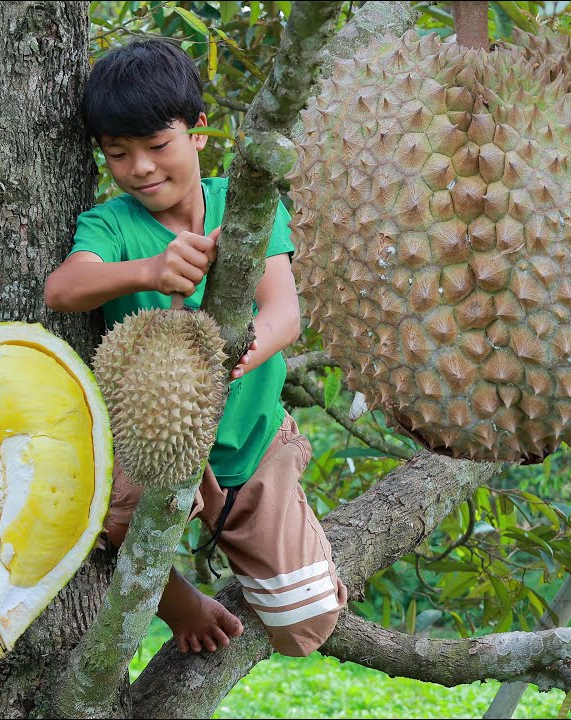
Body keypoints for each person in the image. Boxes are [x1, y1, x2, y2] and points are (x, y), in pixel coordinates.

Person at [44, 40, 348, 657]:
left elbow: (284, 316)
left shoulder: (246, 206)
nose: (141, 168)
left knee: (304, 626)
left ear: (199, 134)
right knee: (93, 513)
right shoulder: (113, 224)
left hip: (248, 440)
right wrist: (148, 271)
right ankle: (178, 596)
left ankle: (267, 518)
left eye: (158, 146)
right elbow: (63, 288)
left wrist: (220, 360)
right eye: (118, 154)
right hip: (148, 443)